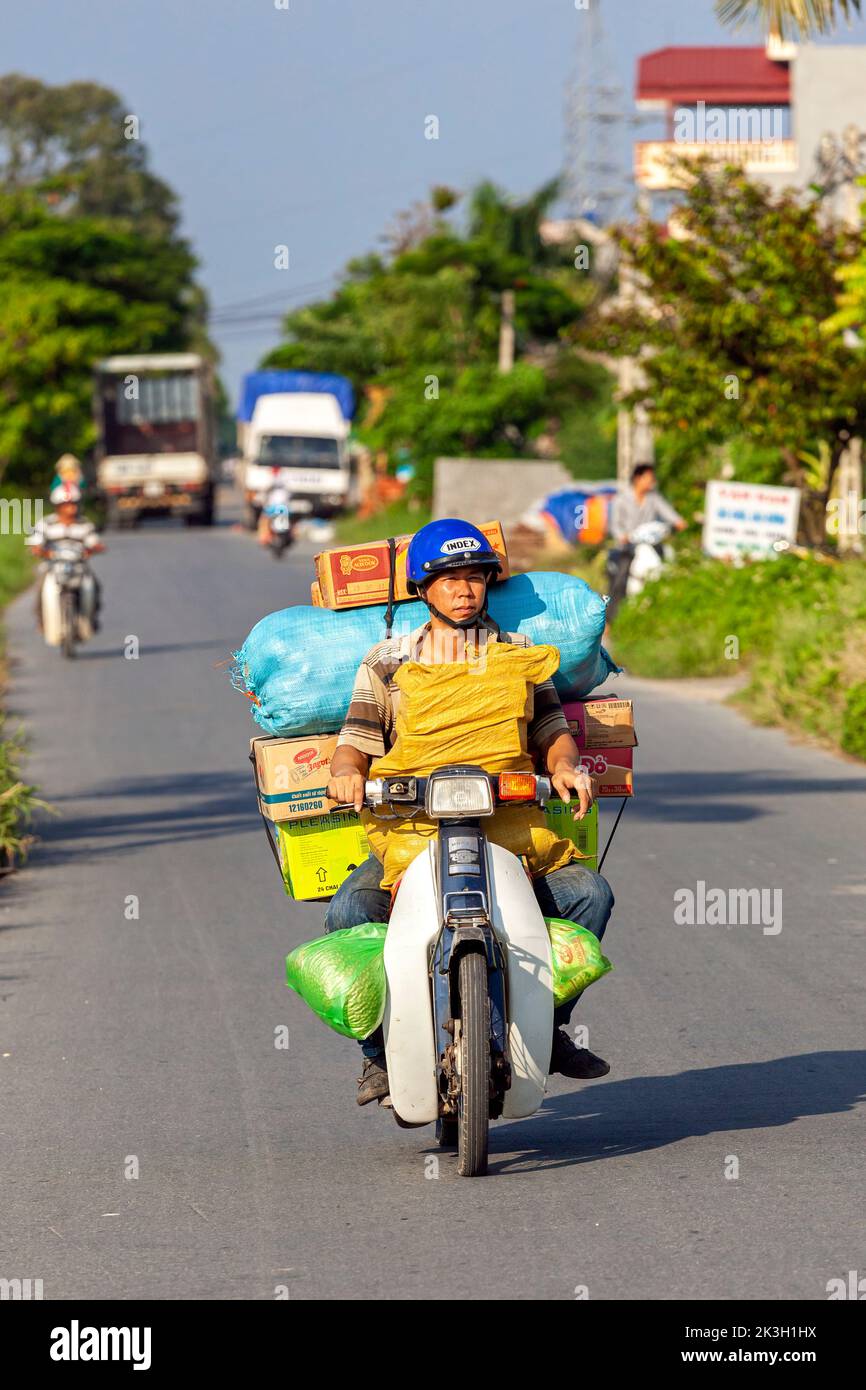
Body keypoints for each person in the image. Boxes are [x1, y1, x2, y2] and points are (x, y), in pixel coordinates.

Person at [325, 518, 615, 1106]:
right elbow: (356, 736)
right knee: (349, 909)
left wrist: (564, 765)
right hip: (412, 830)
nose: (465, 590)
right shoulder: (388, 661)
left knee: (590, 894)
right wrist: (346, 771)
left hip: (507, 831)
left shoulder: (519, 656)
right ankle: (379, 1054)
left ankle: (550, 1023)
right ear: (423, 590)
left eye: (476, 578)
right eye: (449, 579)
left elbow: (551, 730)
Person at [606, 463, 685, 623]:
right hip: (627, 547)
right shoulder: (621, 499)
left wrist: (679, 522)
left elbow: (669, 513)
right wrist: (623, 536)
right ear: (637, 478)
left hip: (650, 545)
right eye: (648, 478)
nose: (651, 482)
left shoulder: (654, 499)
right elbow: (614, 525)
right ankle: (610, 620)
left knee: (670, 566)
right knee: (620, 578)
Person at [26, 483, 105, 631]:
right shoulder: (46, 523)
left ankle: (92, 616)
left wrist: (93, 549)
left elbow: (93, 541)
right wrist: (41, 551)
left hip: (78, 566)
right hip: (53, 566)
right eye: (67, 504)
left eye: (74, 504)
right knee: (40, 587)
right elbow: (35, 543)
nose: (71, 508)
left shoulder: (84, 524)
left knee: (94, 584)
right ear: (58, 506)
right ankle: (41, 620)